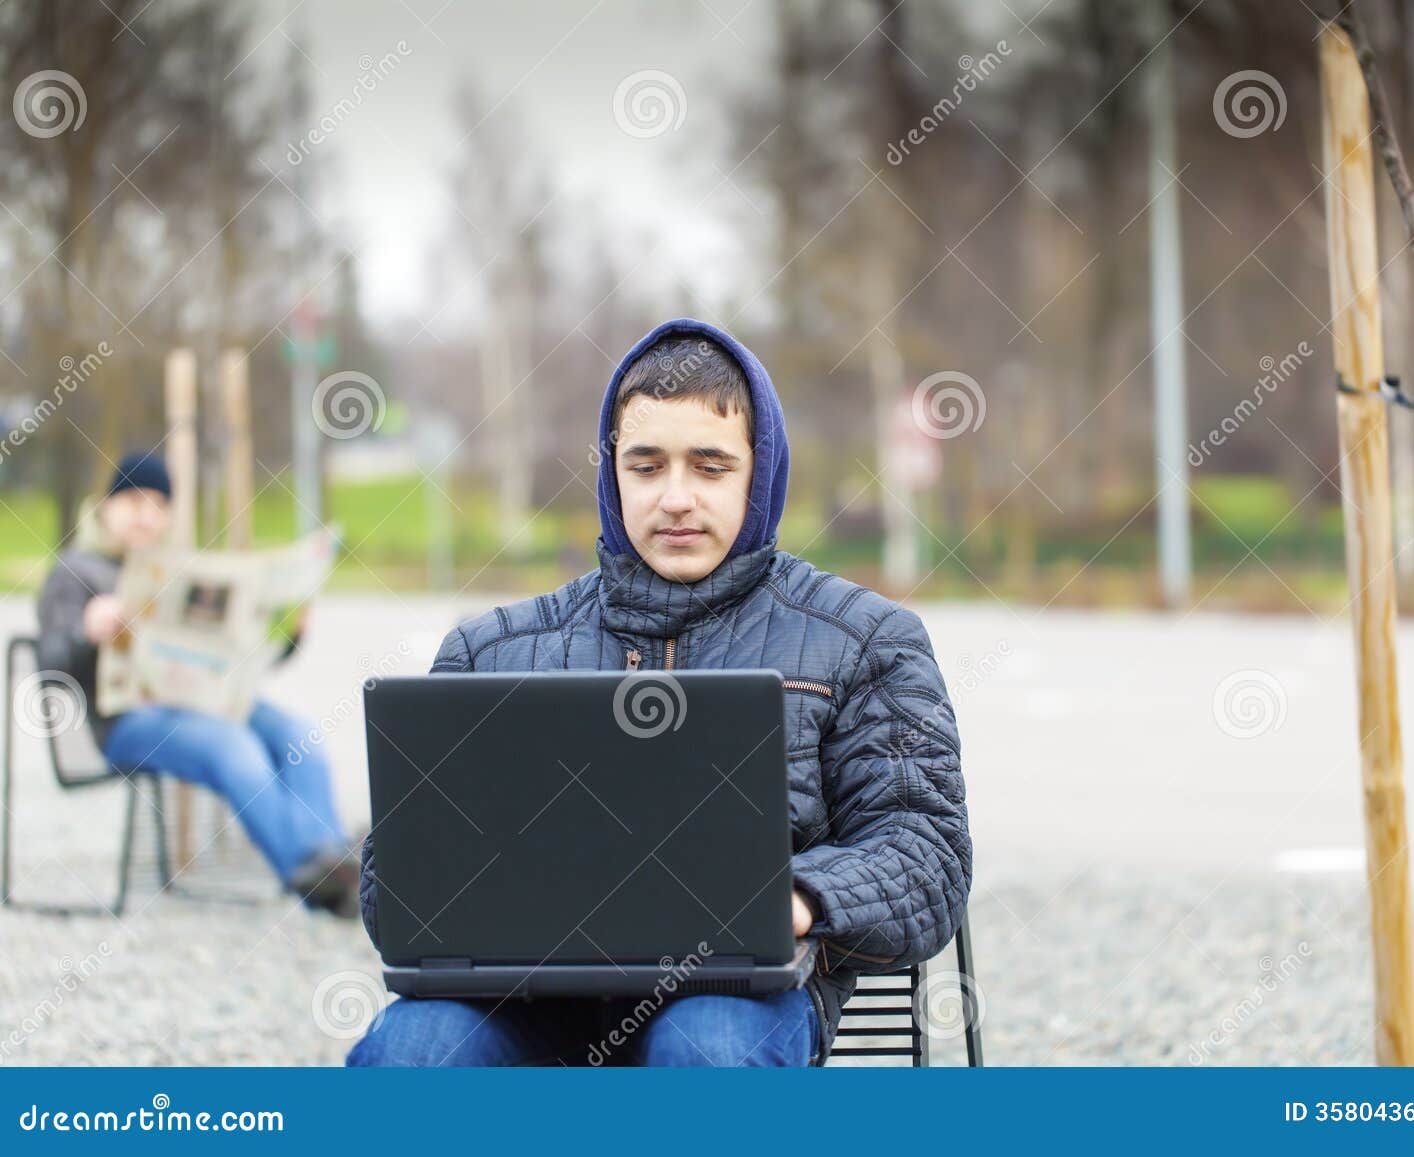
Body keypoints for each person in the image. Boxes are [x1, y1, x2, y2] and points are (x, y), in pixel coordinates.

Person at [349, 319, 972, 1067]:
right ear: (613, 473)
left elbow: (926, 850)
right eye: (646, 466)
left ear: (760, 470)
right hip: (521, 998)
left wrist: (794, 897)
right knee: (414, 1050)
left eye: (710, 466)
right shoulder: (489, 652)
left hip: (736, 999)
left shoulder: (865, 640)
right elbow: (393, 885)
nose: (675, 497)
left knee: (706, 1048)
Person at [35, 451, 357, 916]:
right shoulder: (75, 571)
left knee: (295, 734)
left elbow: (236, 661)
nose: (148, 515)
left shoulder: (175, 572)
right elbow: (49, 666)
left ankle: (335, 866)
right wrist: (86, 632)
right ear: (107, 505)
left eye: (159, 504)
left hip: (205, 701)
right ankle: (314, 872)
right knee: (230, 745)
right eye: (134, 501)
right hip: (127, 721)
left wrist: (287, 635)